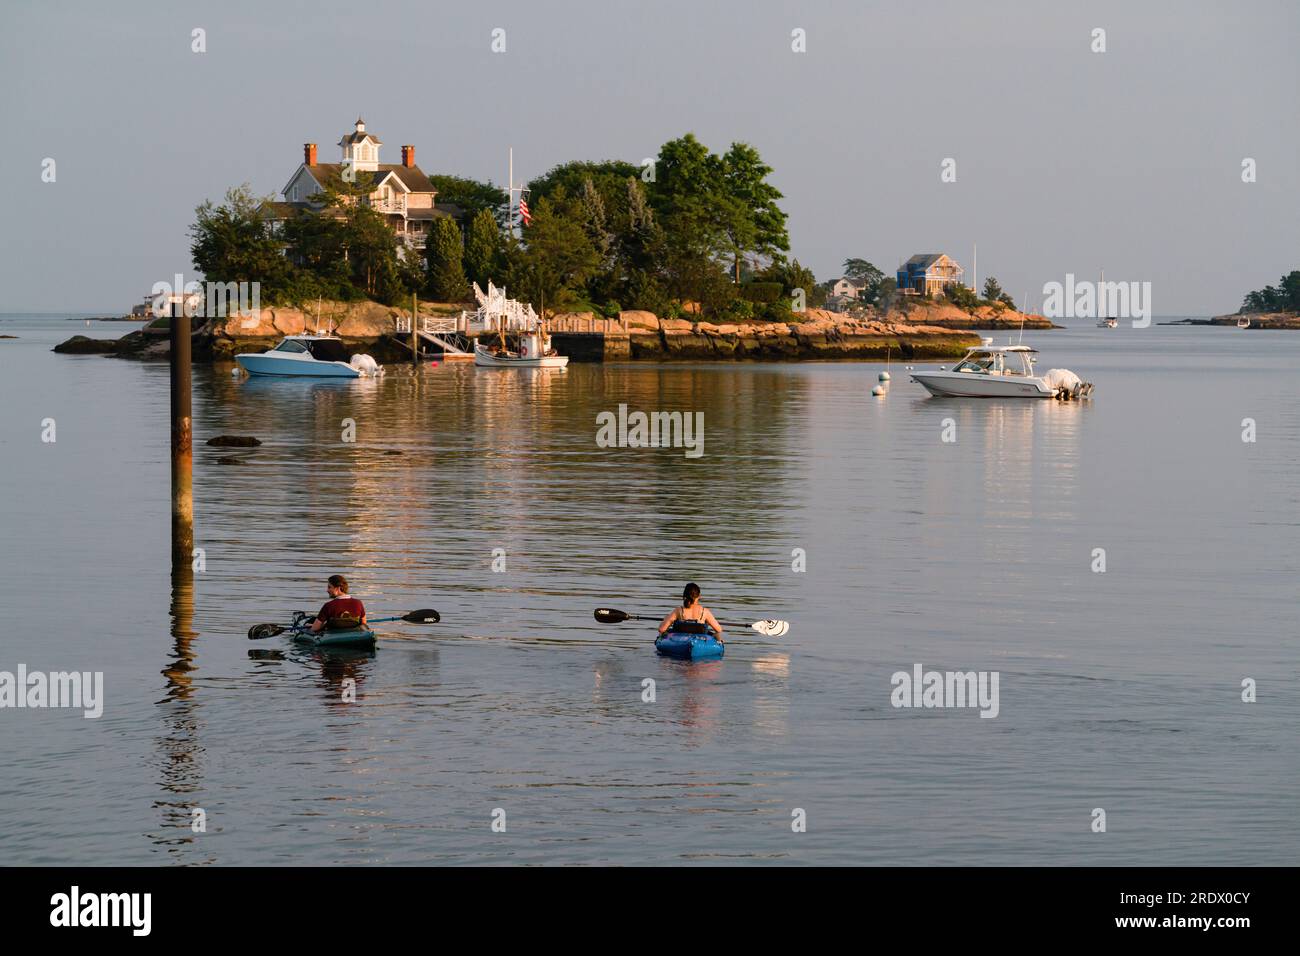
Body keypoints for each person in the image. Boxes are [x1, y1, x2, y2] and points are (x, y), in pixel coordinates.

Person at [658, 582, 723, 642]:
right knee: (717, 635)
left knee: (663, 633)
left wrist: (666, 619)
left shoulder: (678, 610)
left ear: (684, 596)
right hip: (699, 640)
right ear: (699, 596)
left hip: (680, 640)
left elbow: (661, 629)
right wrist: (707, 622)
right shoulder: (705, 611)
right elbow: (719, 629)